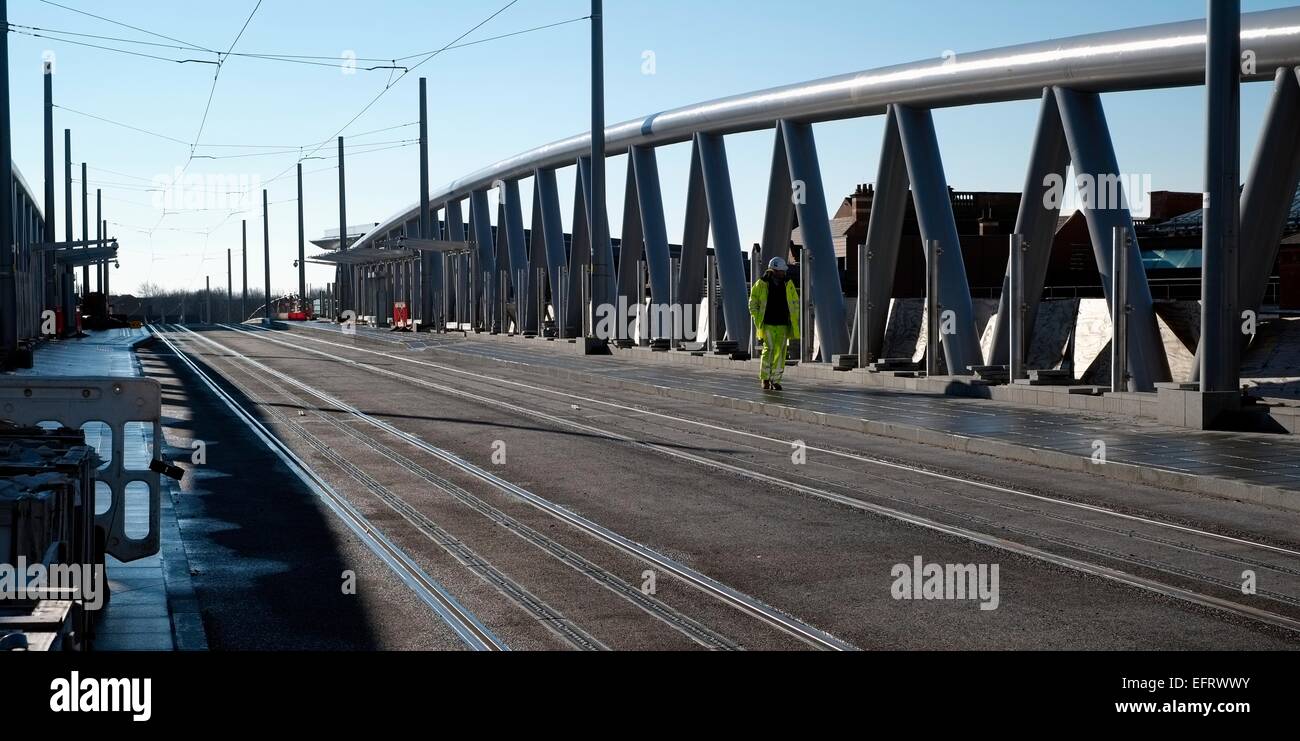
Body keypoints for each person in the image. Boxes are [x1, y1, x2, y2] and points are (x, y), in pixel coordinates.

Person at [748, 256, 800, 390]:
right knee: (769, 350)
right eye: (781, 270)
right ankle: (765, 378)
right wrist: (757, 317)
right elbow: (752, 303)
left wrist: (794, 317)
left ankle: (775, 380)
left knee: (780, 352)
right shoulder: (761, 284)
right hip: (768, 324)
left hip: (783, 323)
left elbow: (795, 302)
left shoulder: (788, 284)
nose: (783, 273)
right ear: (774, 270)